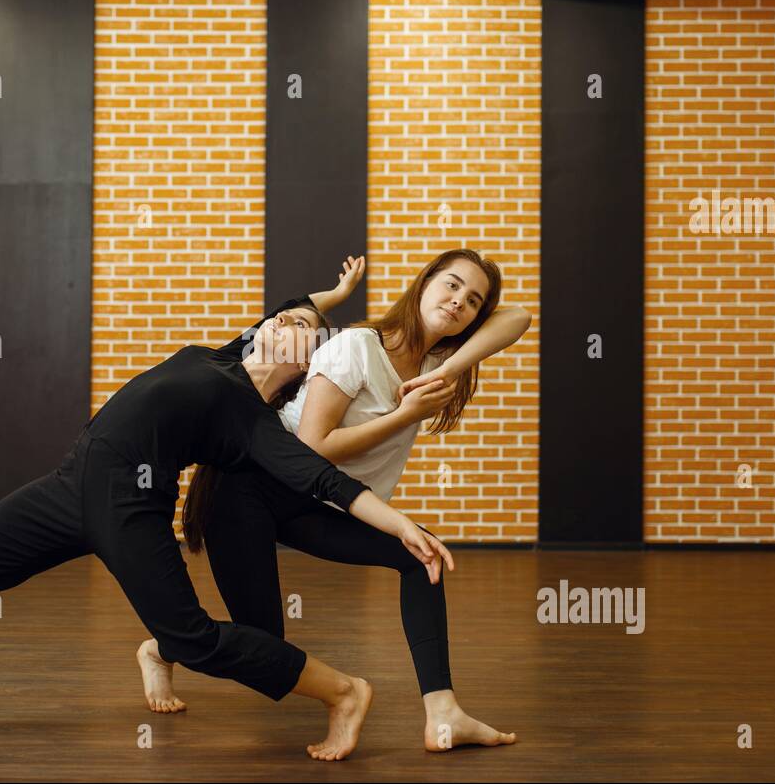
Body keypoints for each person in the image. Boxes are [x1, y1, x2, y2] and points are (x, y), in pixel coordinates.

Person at [0, 267, 453, 761]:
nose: (288, 323)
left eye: (304, 329)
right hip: (68, 486)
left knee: (193, 639)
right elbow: (291, 302)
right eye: (284, 319)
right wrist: (331, 295)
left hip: (129, 507)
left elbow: (324, 477)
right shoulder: (223, 355)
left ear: (306, 365)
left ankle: (345, 691)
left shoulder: (253, 423)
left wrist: (402, 524)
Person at [140, 250, 530, 752]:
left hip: (316, 504)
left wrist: (448, 369)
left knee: (420, 555)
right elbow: (310, 450)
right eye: (451, 285)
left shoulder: (436, 364)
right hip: (249, 490)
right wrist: (405, 413)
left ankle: (444, 712)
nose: (459, 301)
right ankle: (163, 647)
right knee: (265, 649)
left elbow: (519, 316)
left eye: (473, 300)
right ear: (424, 284)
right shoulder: (357, 347)